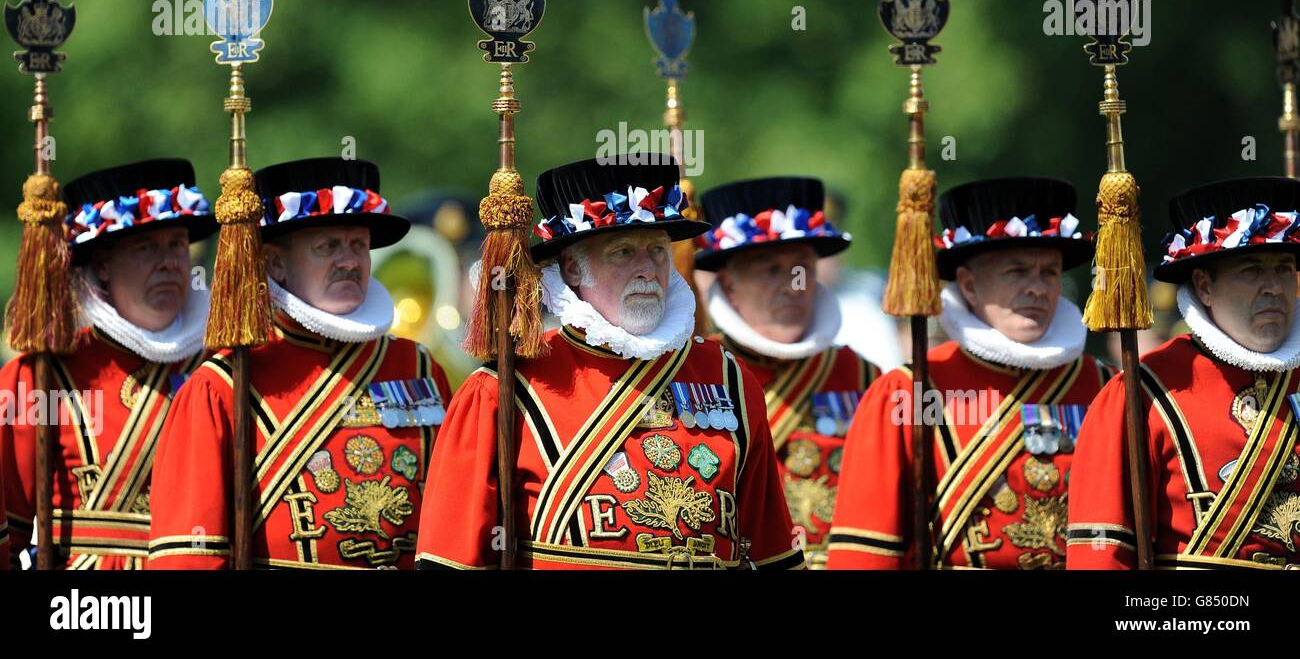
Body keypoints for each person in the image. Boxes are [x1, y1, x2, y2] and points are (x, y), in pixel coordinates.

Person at [416, 155, 804, 569]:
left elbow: (772, 555)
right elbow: (450, 561)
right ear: (572, 267)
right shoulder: (501, 389)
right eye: (622, 252)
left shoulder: (728, 380)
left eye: (656, 251)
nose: (646, 271)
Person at [147, 157, 451, 569]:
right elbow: (189, 559)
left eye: (358, 244)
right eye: (328, 246)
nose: (349, 261)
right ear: (274, 263)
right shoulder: (221, 385)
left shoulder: (417, 366)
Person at [828, 176, 1109, 569]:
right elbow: (866, 556)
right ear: (969, 285)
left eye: (1049, 272)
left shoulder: (1104, 387)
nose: (1037, 288)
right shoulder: (905, 393)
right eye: (1017, 271)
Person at [1068, 177, 1300, 569]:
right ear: (1204, 285)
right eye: (1251, 269)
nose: (1273, 287)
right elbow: (1102, 559)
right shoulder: (1142, 394)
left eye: (1284, 268)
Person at [0, 158, 216, 568]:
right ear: (102, 265)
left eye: (176, 243)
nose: (168, 261)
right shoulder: (38, 377)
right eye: (145, 248)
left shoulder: (223, 366)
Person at [694, 175, 879, 566]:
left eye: (802, 268)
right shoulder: (697, 372)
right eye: (770, 270)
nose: (792, 285)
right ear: (728, 283)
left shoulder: (864, 377)